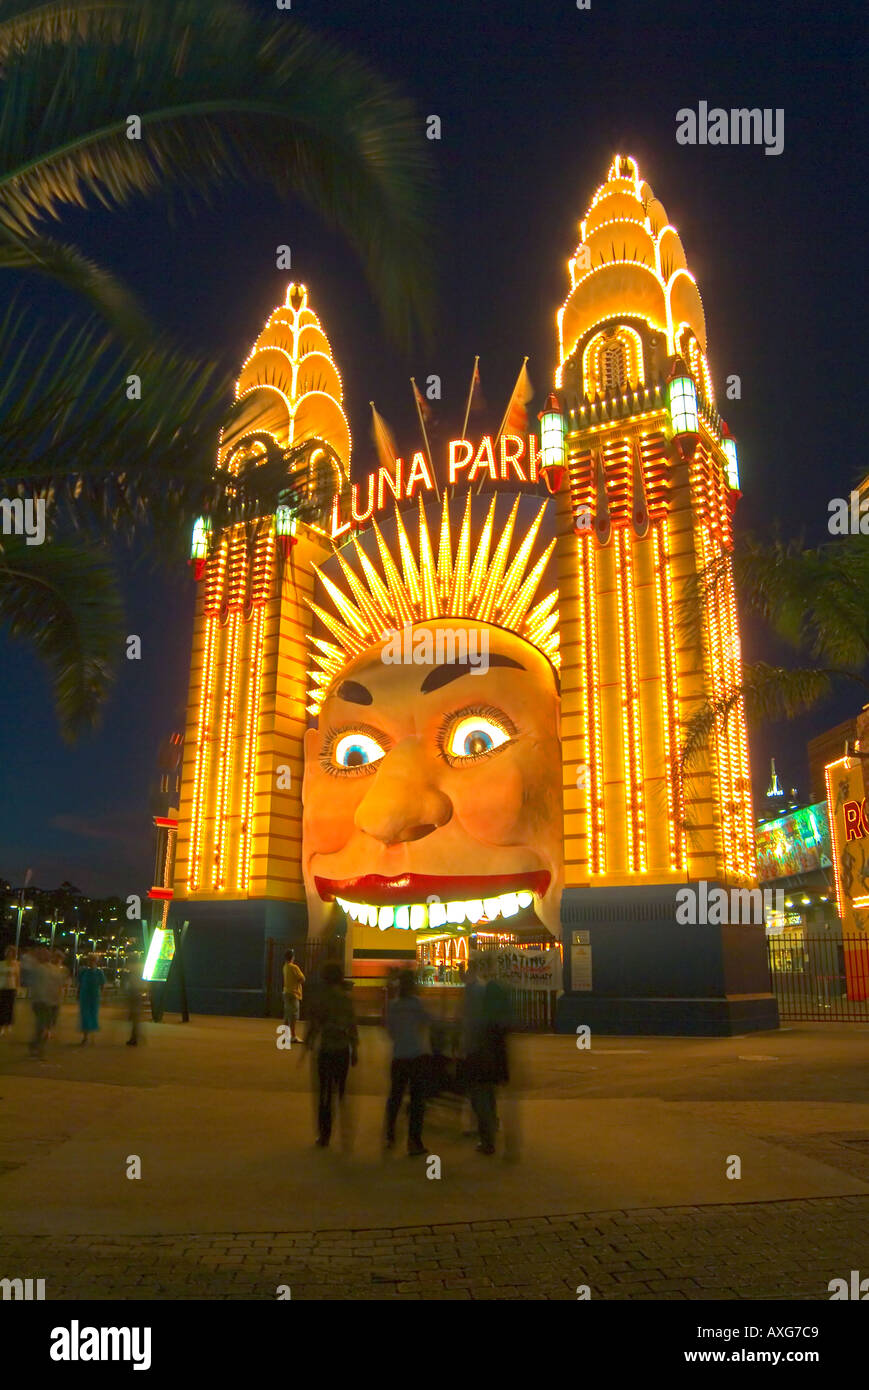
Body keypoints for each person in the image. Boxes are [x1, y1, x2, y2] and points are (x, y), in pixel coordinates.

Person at [304, 961, 358, 1148]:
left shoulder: (321, 998)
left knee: (325, 1094)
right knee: (341, 1092)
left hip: (326, 1050)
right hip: (342, 1051)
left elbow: (314, 1023)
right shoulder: (345, 999)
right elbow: (352, 1025)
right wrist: (355, 1049)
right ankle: (345, 1131)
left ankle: (324, 1135)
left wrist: (308, 1043)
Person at [461, 958, 511, 1155]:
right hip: (491, 1055)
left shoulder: (476, 992)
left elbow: (470, 1023)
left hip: (478, 1053)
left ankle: (487, 1138)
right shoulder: (492, 993)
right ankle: (492, 1126)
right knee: (488, 1094)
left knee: (479, 1095)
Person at [384, 970, 433, 1157]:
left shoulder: (393, 1006)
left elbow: (390, 1032)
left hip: (399, 1056)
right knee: (417, 1101)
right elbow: (427, 1023)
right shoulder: (417, 1004)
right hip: (416, 1056)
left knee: (395, 1098)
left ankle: (390, 1135)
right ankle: (414, 1142)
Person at [77, 954, 105, 1045]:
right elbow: (80, 984)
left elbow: (102, 985)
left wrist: (102, 996)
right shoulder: (83, 971)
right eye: (89, 960)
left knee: (93, 1015)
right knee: (85, 1015)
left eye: (93, 960)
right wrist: (78, 994)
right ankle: (86, 1037)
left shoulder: (99, 972)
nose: (91, 962)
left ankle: (91, 1035)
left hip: (94, 996)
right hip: (85, 996)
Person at [281, 949, 305, 1044]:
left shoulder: (285, 967)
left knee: (287, 1015)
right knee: (293, 1016)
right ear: (292, 957)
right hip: (294, 993)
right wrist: (297, 984)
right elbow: (302, 978)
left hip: (286, 992)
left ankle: (285, 1036)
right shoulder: (294, 967)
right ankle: (293, 1036)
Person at [0, 945, 20, 1035]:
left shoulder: (16, 964)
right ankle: (2, 1026)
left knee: (10, 1007)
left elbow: (17, 977)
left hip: (11, 988)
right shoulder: (1, 964)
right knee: (2, 1007)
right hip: (2, 987)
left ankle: (8, 1024)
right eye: (8, 952)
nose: (9, 954)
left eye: (12, 953)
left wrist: (17, 988)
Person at [125, 959, 143, 1046]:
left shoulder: (134, 976)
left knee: (134, 1019)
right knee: (135, 1019)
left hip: (134, 997)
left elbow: (132, 987)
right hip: (136, 997)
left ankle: (134, 1038)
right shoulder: (137, 975)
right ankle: (134, 1037)